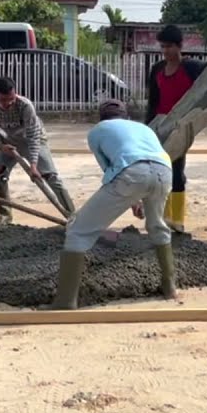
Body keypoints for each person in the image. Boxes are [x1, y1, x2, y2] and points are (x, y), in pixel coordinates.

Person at [44, 98, 176, 310]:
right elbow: (148, 164)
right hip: (164, 172)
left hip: (130, 173)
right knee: (157, 226)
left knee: (78, 230)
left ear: (101, 117)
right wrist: (135, 198)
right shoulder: (143, 128)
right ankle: (170, 288)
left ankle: (66, 300)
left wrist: (130, 194)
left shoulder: (98, 131)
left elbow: (111, 170)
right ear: (126, 116)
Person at [0, 76, 75, 224]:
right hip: (8, 143)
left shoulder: (25, 105)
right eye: (4, 100)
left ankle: (73, 217)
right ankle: (5, 215)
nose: (9, 103)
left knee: (50, 177)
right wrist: (0, 145)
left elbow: (33, 136)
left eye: (11, 98)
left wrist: (33, 164)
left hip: (33, 139)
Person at [144, 25, 206, 233]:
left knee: (177, 171)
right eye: (163, 47)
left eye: (169, 46)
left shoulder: (192, 68)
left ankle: (177, 221)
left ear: (180, 46)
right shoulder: (157, 70)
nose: (166, 51)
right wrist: (146, 129)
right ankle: (163, 219)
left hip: (180, 126)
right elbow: (153, 102)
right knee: (159, 171)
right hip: (159, 126)